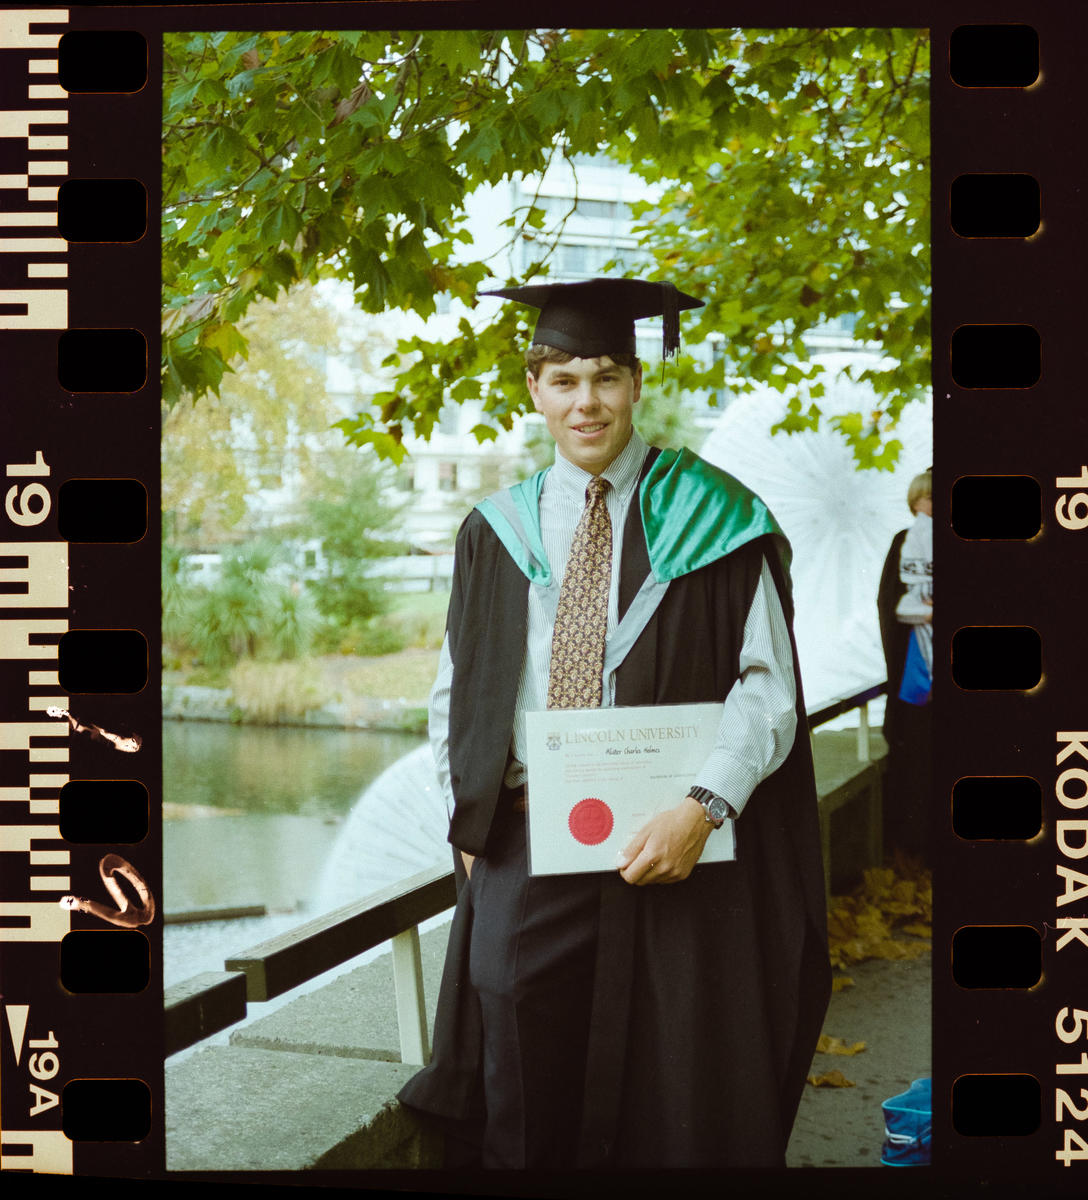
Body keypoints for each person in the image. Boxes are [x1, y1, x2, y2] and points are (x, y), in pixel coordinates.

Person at [397, 278, 830, 1169]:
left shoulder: (717, 516)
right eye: (563, 381)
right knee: (517, 1050)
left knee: (679, 1080)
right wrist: (467, 818)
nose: (585, 402)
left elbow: (766, 686)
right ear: (534, 392)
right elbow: (459, 687)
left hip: (671, 835)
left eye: (603, 377)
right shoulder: (494, 528)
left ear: (637, 382)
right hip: (530, 836)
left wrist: (703, 806)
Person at [876, 470, 933, 861]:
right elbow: (890, 603)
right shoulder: (906, 540)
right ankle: (914, 843)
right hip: (919, 667)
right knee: (916, 755)